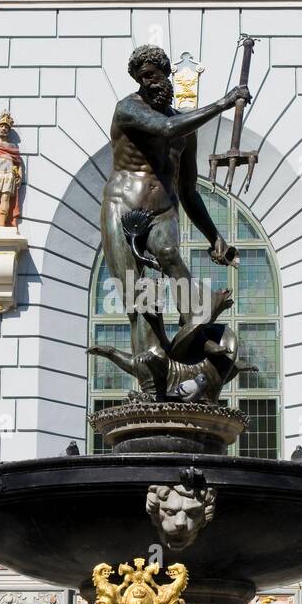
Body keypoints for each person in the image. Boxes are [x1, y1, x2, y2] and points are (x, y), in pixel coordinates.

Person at [100, 45, 250, 386]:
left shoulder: (186, 130)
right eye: (141, 78)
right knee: (141, 299)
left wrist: (214, 236)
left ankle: (195, 322)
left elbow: (188, 190)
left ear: (166, 74)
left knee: (168, 254)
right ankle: (154, 376)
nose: (147, 82)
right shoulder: (128, 109)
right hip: (122, 207)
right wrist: (223, 104)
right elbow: (166, 129)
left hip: (163, 208)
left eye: (152, 75)